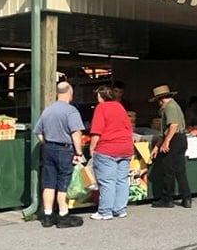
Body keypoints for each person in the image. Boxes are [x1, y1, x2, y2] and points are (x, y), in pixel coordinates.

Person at [34, 81, 85, 228]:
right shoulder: (71, 111)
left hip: (49, 148)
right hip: (65, 149)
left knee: (49, 182)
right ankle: (63, 215)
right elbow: (76, 133)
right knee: (63, 182)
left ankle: (47, 216)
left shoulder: (47, 110)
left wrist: (47, 144)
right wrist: (79, 152)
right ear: (70, 93)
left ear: (57, 93)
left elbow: (38, 132)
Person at [88, 85, 134, 220]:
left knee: (107, 181)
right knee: (122, 180)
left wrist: (92, 147)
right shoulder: (120, 106)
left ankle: (105, 211)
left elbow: (97, 130)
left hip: (107, 148)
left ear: (99, 96)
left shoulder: (101, 108)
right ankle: (120, 209)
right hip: (125, 147)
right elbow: (129, 127)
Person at [149, 84, 192, 208]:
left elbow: (173, 125)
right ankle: (186, 198)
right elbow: (166, 130)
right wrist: (157, 146)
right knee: (180, 170)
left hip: (174, 139)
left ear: (160, 99)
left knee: (168, 169)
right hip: (180, 138)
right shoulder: (174, 106)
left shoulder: (169, 107)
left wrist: (166, 141)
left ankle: (167, 198)